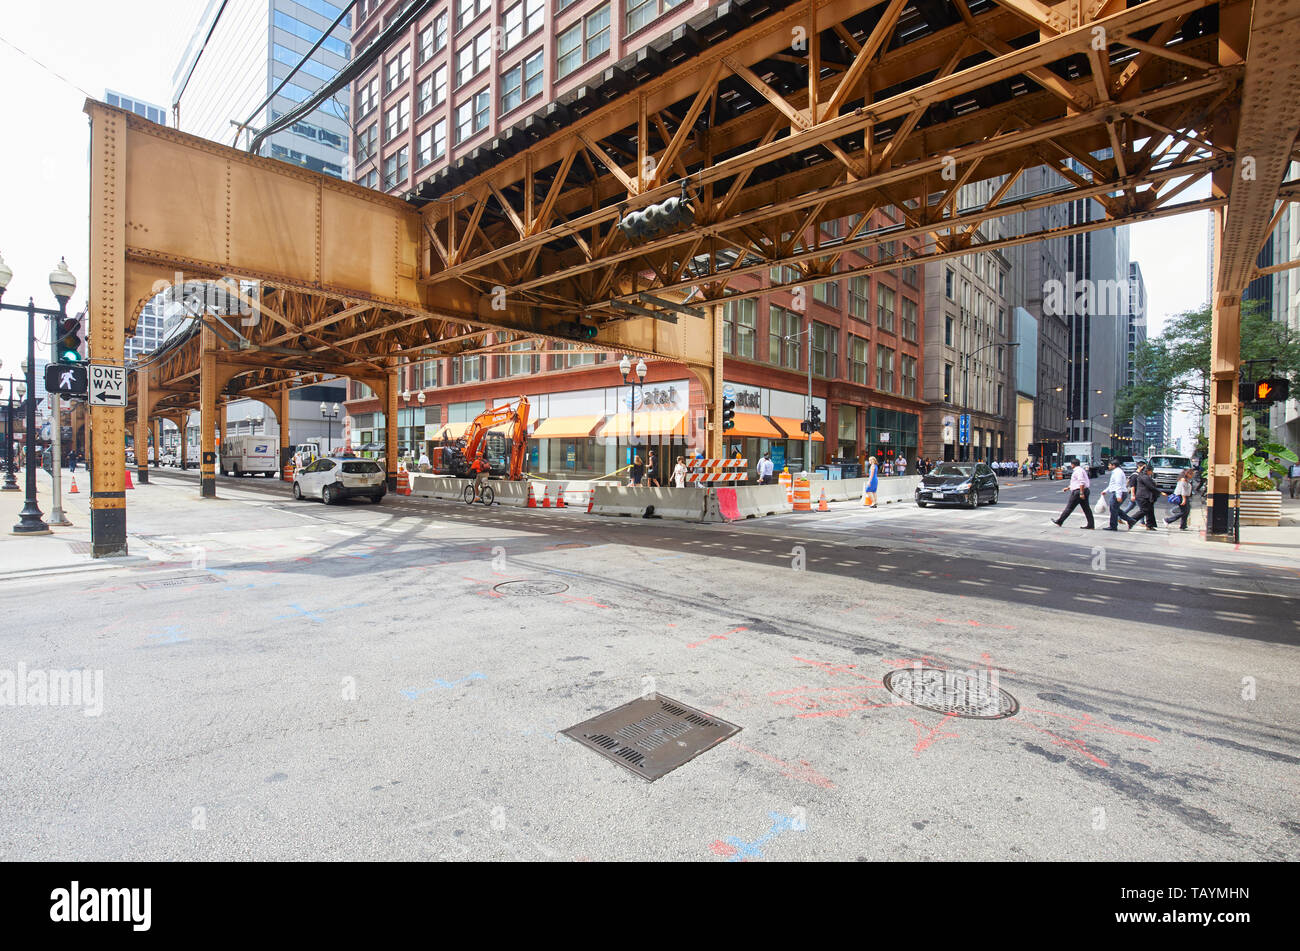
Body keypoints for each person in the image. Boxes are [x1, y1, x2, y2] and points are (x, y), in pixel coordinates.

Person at [1052, 456, 1095, 529]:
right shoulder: (1080, 470)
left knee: (1069, 507)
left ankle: (1060, 521)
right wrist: (1068, 488)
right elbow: (1076, 482)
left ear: (1073, 464)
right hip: (1082, 490)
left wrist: (1081, 493)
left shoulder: (1078, 471)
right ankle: (1091, 524)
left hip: (1079, 492)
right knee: (1086, 509)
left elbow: (1081, 482)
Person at [1101, 459, 1137, 531]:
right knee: (1115, 508)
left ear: (1113, 466)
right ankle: (1130, 520)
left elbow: (1118, 485)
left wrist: (1118, 496)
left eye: (1109, 465)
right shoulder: (1116, 472)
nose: (1108, 466)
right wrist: (1106, 491)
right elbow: (1113, 484)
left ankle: (1113, 526)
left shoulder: (1118, 473)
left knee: (1113, 509)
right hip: (1118, 492)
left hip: (1119, 492)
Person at [1132, 464, 1160, 531]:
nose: (1152, 472)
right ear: (1147, 471)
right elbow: (1151, 486)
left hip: (1147, 496)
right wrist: (1160, 492)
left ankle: (1150, 525)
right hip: (1143, 496)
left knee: (1150, 511)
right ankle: (1131, 520)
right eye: (1151, 471)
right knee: (1144, 510)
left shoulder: (1146, 476)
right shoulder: (1144, 477)